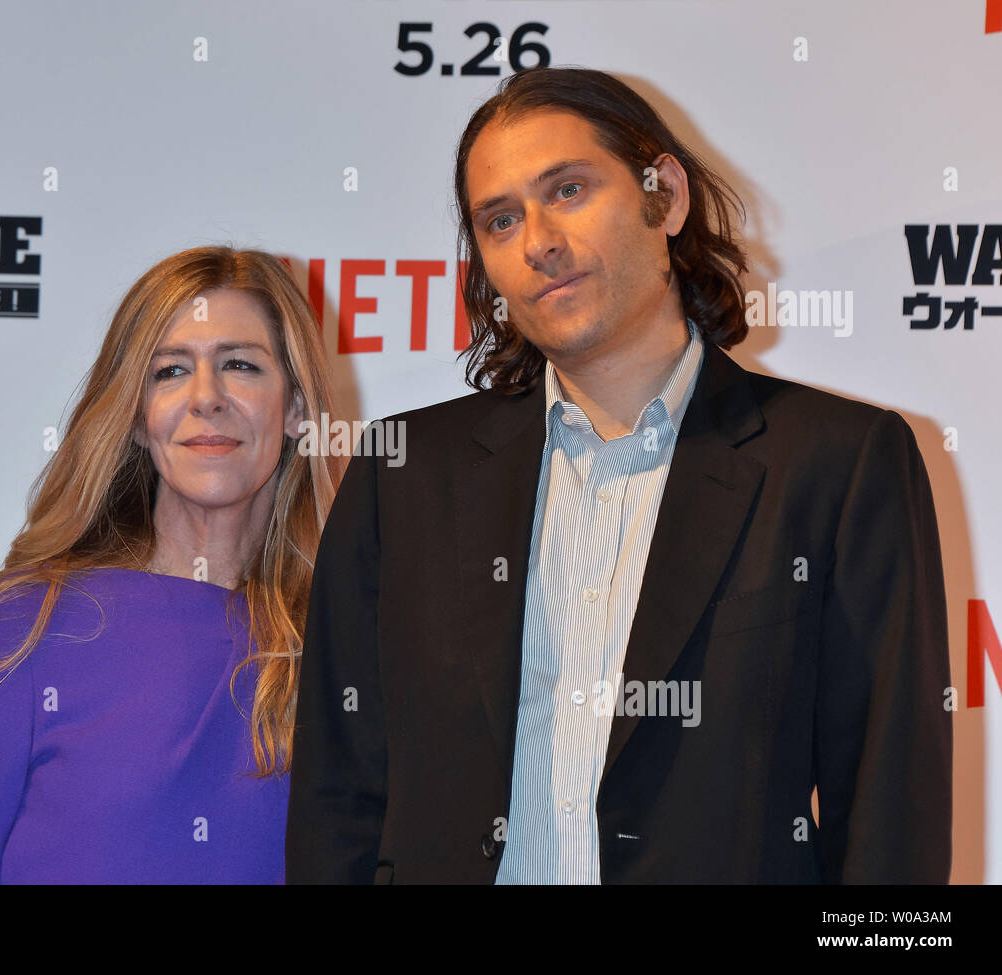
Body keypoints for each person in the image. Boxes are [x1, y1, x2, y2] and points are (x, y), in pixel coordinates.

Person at [285, 67, 952, 884]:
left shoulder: (839, 462)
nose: (538, 241)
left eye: (567, 190)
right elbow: (337, 799)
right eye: (500, 220)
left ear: (664, 195)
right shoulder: (400, 474)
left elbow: (890, 816)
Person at [0, 245, 343, 883]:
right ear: (136, 416)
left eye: (239, 365)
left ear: (293, 409)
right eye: (170, 371)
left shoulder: (346, 643)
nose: (207, 398)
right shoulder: (28, 624)